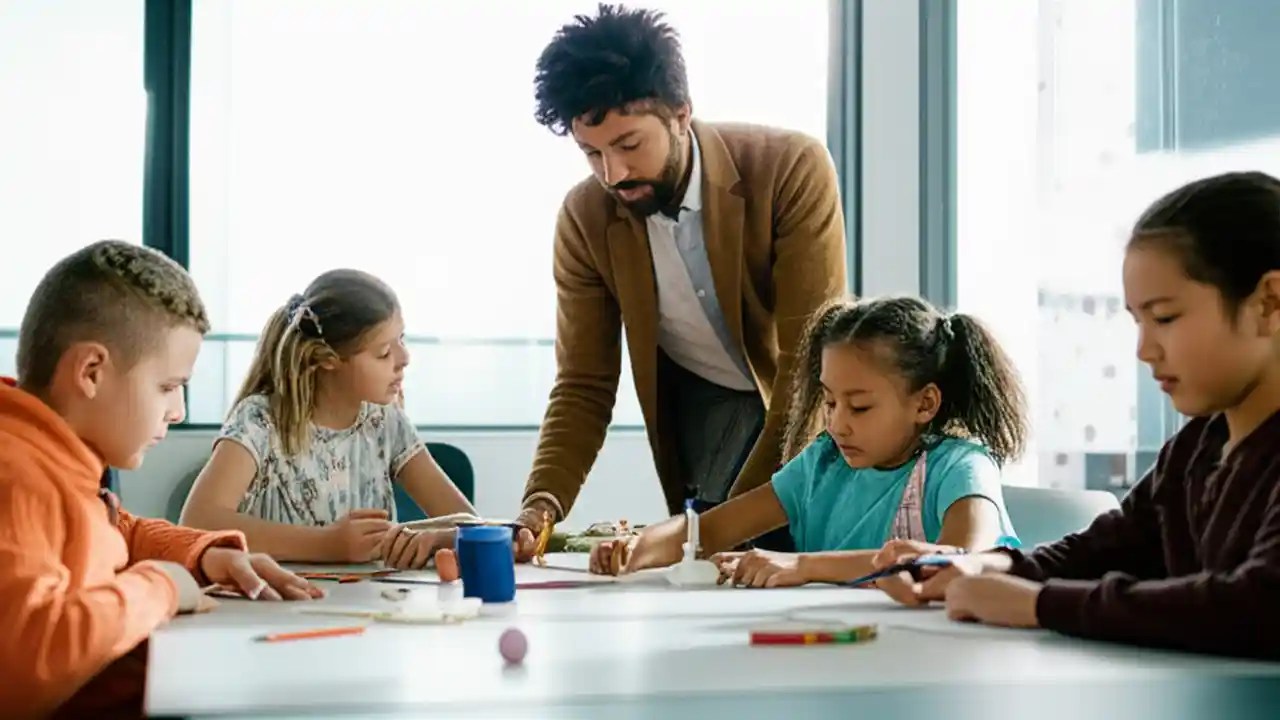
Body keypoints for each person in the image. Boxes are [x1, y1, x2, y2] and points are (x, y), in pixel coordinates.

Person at [877, 171, 1280, 659]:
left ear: (1269, 302)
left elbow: (1259, 605)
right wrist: (987, 567)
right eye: (1139, 321)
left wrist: (1039, 605)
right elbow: (1107, 548)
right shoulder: (1197, 448)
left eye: (1165, 318)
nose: (1145, 350)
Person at [515, 4, 848, 552]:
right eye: (591, 153)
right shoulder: (585, 219)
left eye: (629, 145)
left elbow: (807, 366)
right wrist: (541, 505)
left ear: (681, 114)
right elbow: (584, 383)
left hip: (802, 398)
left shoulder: (789, 168)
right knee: (705, 570)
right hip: (704, 408)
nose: (613, 173)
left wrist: (724, 530)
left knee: (771, 552)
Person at [0, 241, 321, 717]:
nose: (178, 411)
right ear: (91, 372)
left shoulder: (51, 459)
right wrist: (160, 587)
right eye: (167, 387)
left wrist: (203, 556)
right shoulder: (17, 476)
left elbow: (117, 530)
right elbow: (24, 668)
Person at [590, 295, 1026, 586]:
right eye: (830, 402)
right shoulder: (823, 463)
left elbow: (960, 560)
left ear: (925, 403)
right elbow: (711, 529)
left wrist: (805, 566)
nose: (837, 424)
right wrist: (639, 548)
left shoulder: (960, 467)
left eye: (859, 407)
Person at [181, 269, 532, 568]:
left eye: (401, 339)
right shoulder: (261, 421)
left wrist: (436, 538)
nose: (404, 358)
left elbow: (469, 523)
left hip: (371, 612)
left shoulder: (385, 422)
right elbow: (197, 521)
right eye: (384, 352)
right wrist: (325, 545)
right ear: (327, 359)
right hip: (278, 611)